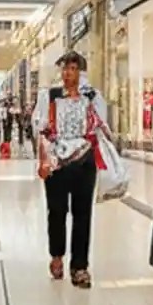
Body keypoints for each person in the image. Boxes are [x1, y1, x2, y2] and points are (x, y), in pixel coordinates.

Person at [34, 50, 113, 289]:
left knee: (82, 213)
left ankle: (80, 266)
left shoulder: (92, 97)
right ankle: (57, 255)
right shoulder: (50, 96)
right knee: (56, 211)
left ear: (81, 72)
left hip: (84, 162)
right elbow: (41, 129)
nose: (68, 73)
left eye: (73, 68)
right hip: (57, 163)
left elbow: (102, 127)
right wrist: (43, 161)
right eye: (65, 68)